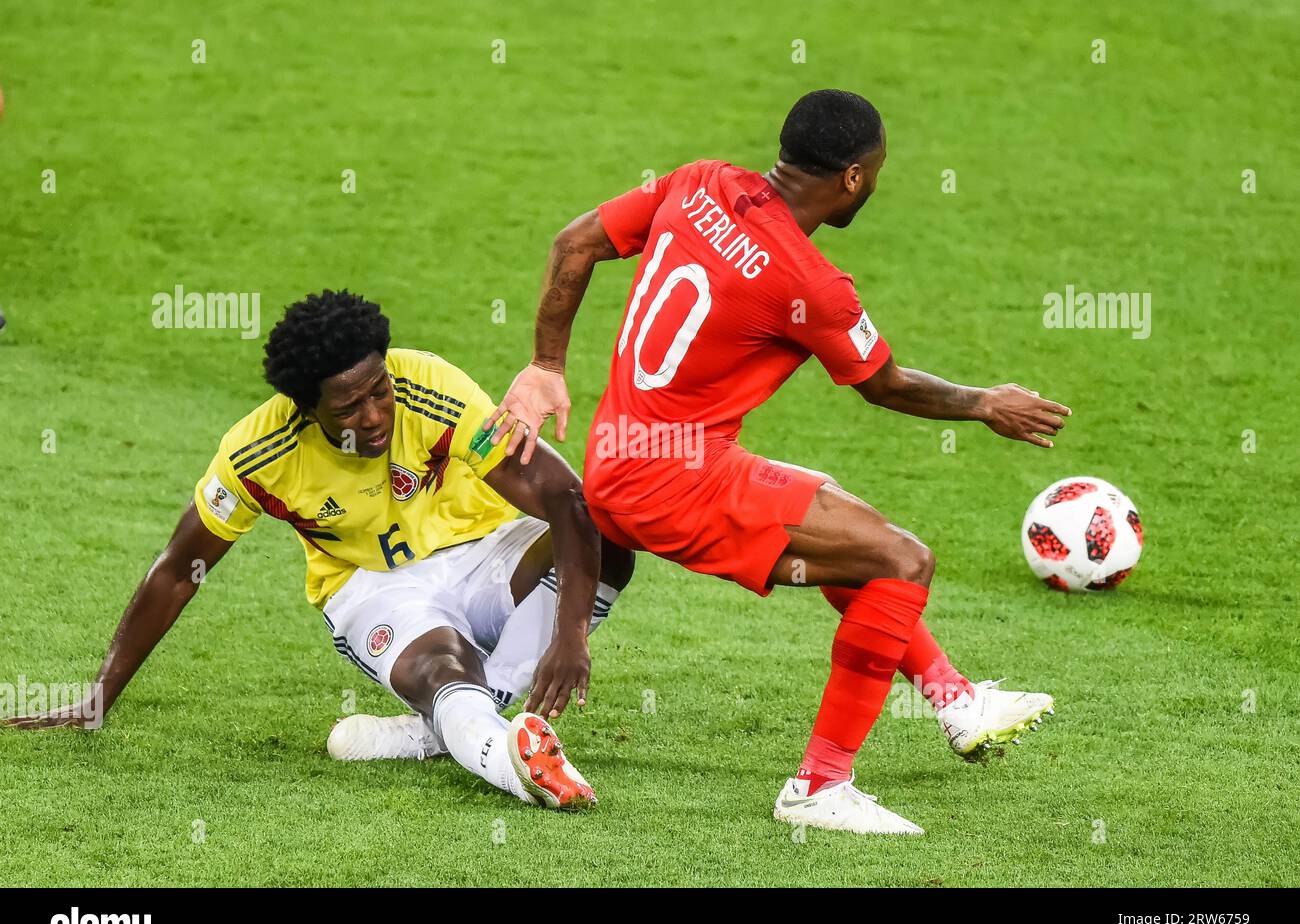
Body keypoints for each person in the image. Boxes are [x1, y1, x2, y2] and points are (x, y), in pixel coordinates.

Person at [486, 90, 1065, 834]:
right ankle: (821, 785)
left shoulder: (698, 181)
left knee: (852, 535)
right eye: (878, 172)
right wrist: (985, 402)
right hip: (672, 483)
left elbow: (574, 243)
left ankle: (954, 700)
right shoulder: (810, 282)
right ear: (853, 178)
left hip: (623, 454)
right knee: (902, 560)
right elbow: (884, 384)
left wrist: (545, 364)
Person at [4, 289, 634, 810]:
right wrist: (98, 696)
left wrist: (571, 633)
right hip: (372, 588)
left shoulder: (431, 387)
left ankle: (452, 727)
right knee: (445, 672)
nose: (375, 415)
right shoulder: (259, 453)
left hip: (479, 554)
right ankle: (517, 767)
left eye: (378, 389)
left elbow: (564, 499)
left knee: (611, 539)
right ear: (307, 410)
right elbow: (177, 571)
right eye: (349, 406)